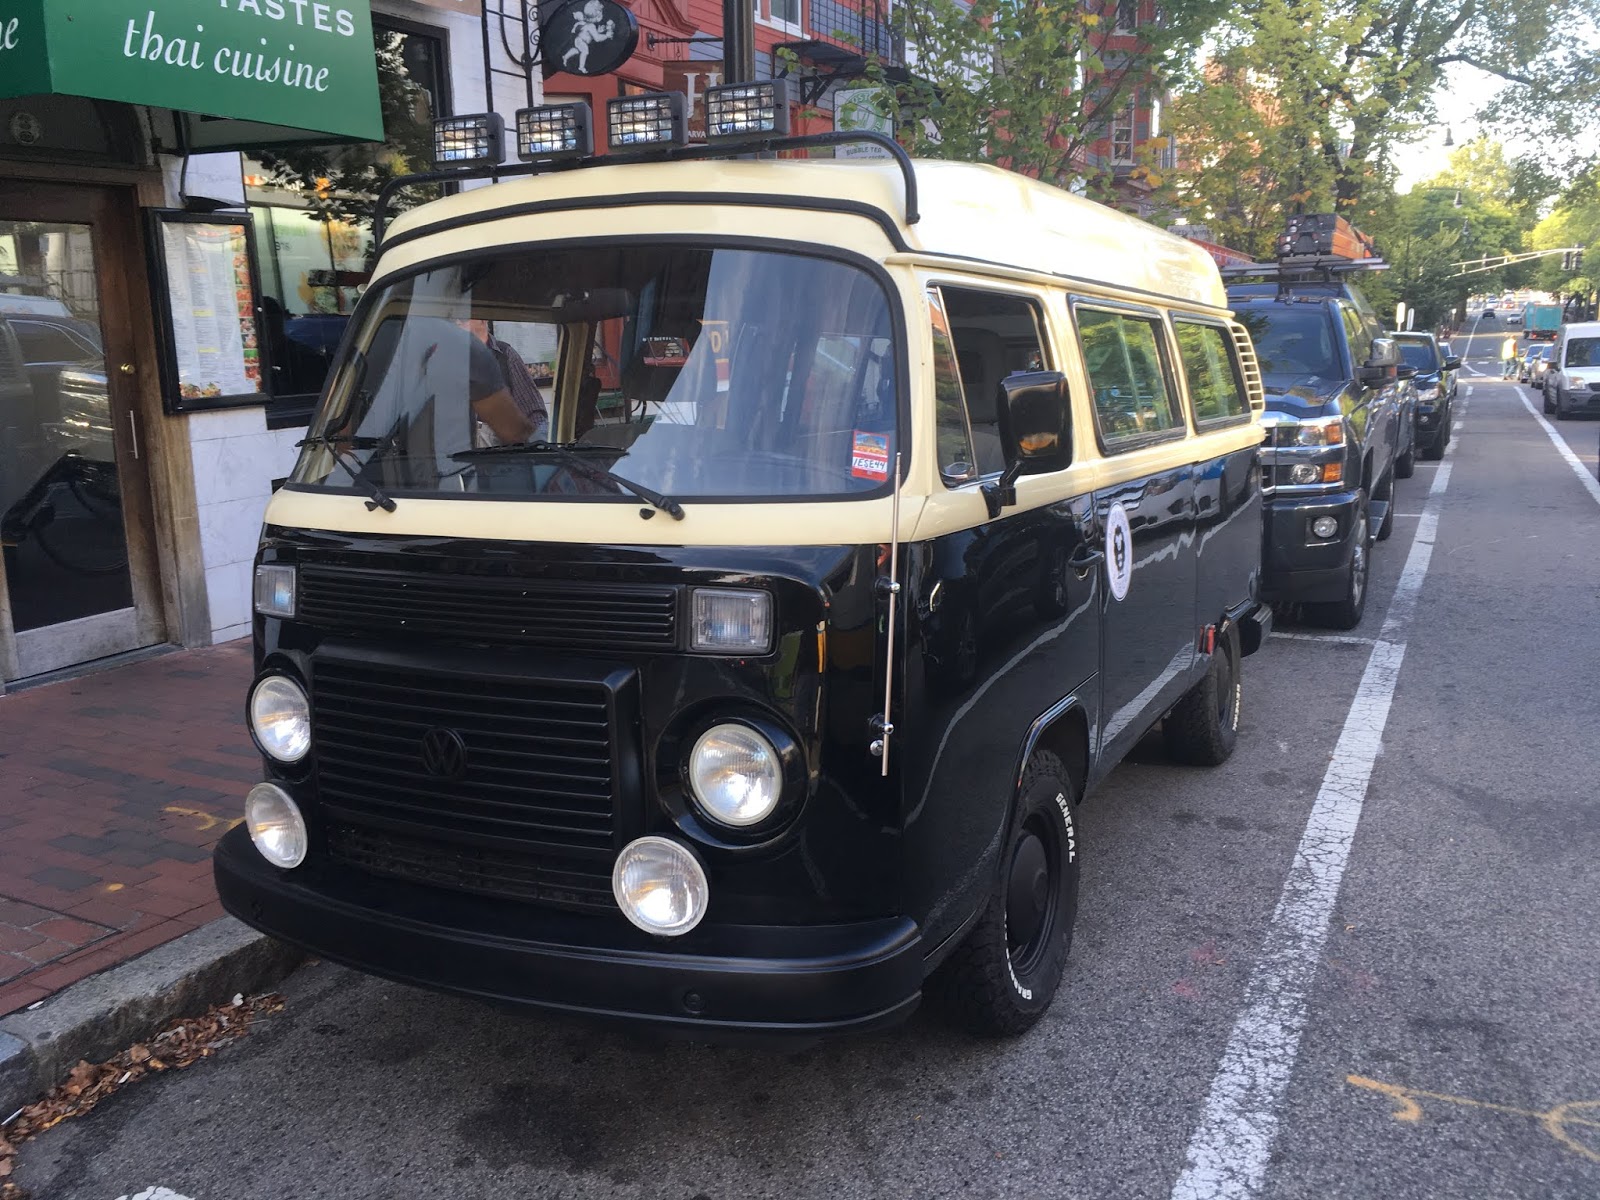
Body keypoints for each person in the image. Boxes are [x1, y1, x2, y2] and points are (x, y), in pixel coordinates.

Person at [456, 318, 549, 444]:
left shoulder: (505, 355)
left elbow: (535, 414)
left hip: (505, 454)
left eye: (463, 319)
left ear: (482, 320)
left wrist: (537, 448)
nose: (457, 323)